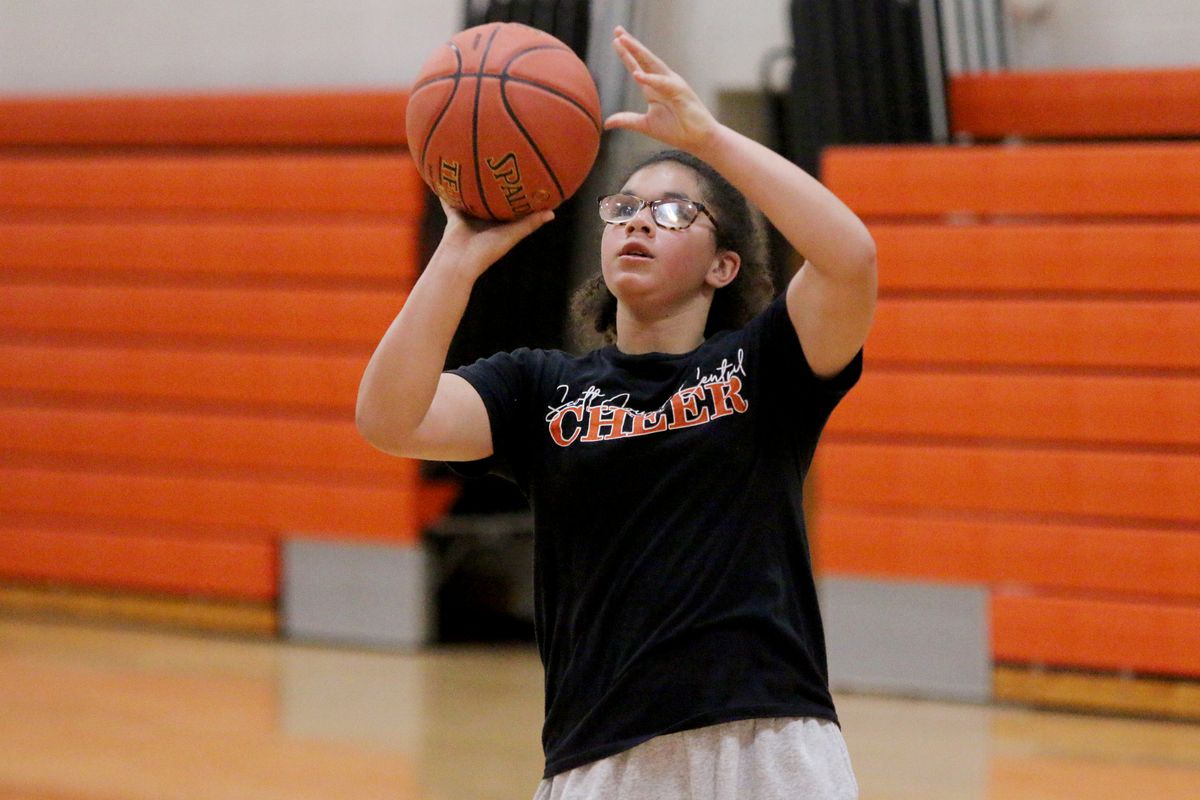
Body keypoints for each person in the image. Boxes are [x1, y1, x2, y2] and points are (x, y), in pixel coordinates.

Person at [357, 25, 876, 800]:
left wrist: (709, 139)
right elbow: (389, 419)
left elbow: (851, 258)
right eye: (625, 206)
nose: (638, 221)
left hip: (765, 739)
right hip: (601, 753)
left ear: (723, 263)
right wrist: (455, 254)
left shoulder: (766, 368)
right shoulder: (540, 388)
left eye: (673, 215)